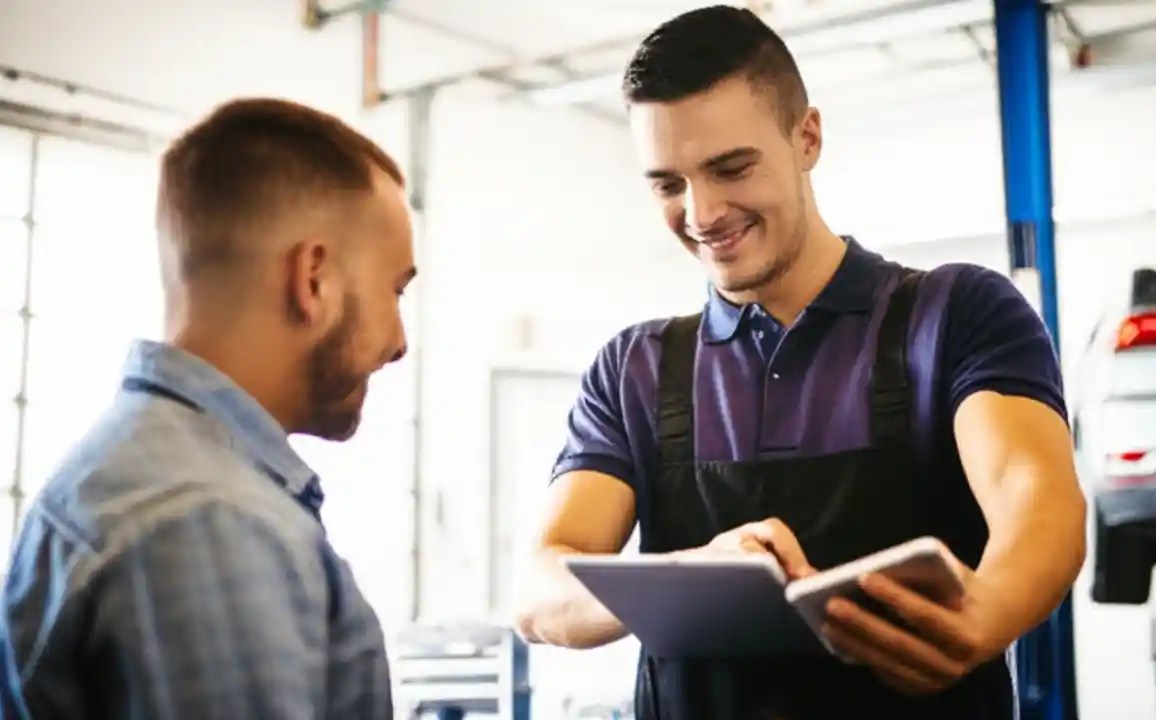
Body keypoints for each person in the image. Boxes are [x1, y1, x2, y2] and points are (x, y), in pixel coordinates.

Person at [512, 5, 1086, 719]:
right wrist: (692, 575)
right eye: (667, 184)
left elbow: (1037, 501)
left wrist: (986, 614)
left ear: (806, 137)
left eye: (730, 168)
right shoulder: (635, 369)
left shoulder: (956, 315)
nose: (701, 213)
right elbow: (538, 592)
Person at [0, 98, 416, 719]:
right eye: (395, 290)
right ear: (314, 279)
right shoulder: (210, 518)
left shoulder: (138, 470)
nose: (400, 341)